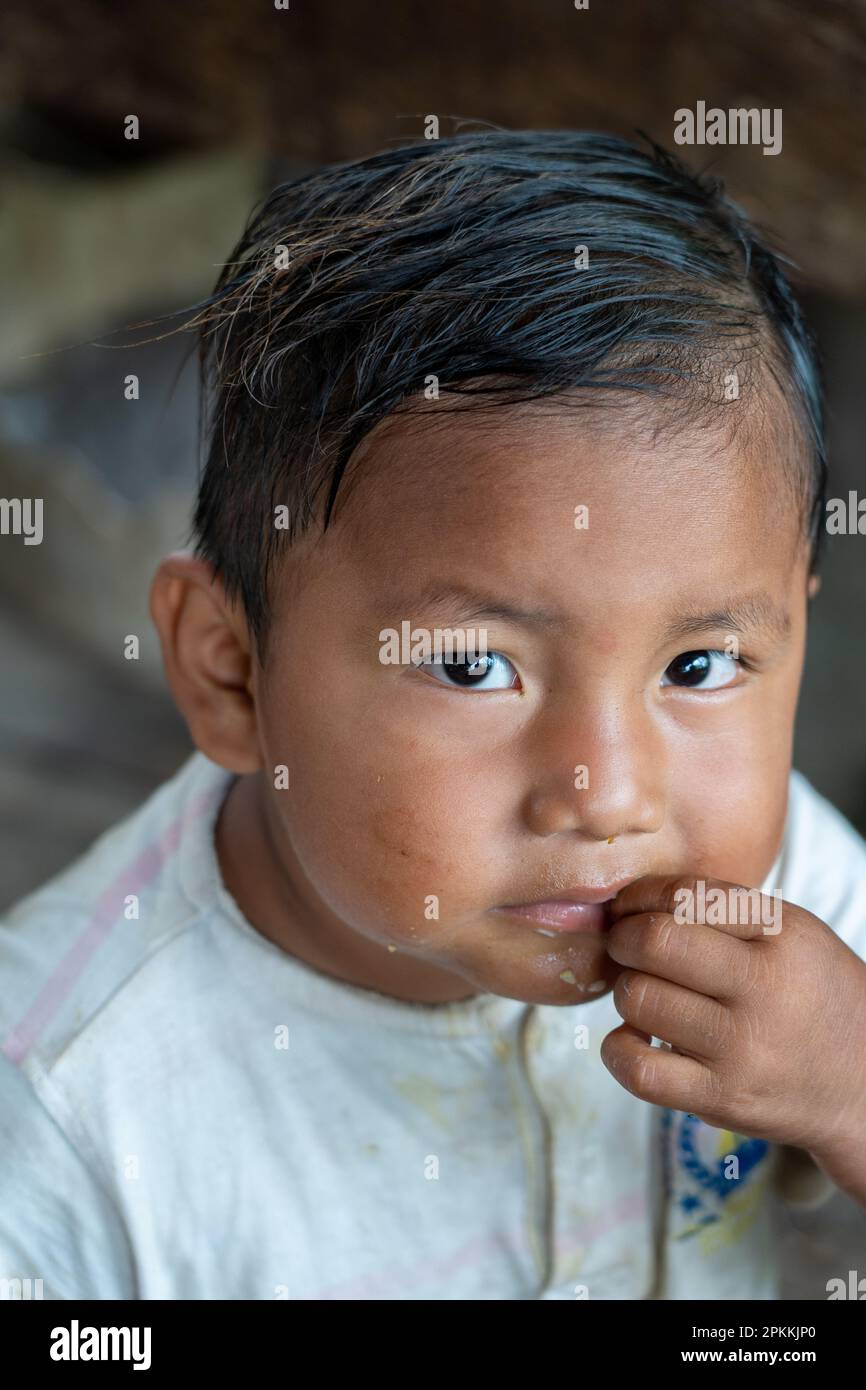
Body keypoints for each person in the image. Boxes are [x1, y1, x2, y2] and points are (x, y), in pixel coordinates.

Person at [2, 129, 865, 1301]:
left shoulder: (797, 911)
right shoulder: (65, 1110)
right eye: (471, 668)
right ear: (230, 673)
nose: (610, 792)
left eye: (700, 664)